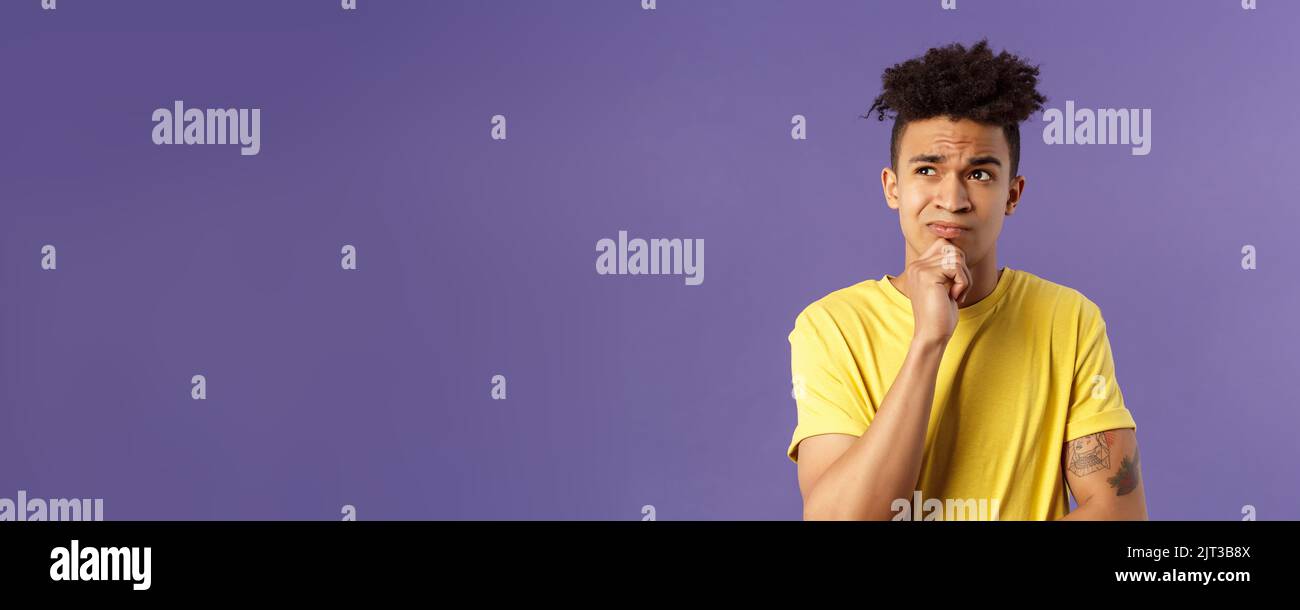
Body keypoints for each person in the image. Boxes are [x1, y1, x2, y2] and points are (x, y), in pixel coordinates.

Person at [787, 39, 1147, 521]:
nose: (952, 198)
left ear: (1012, 194)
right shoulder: (832, 326)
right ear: (893, 188)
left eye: (979, 174)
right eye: (927, 169)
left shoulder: (1068, 318)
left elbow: (1117, 512)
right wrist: (928, 341)